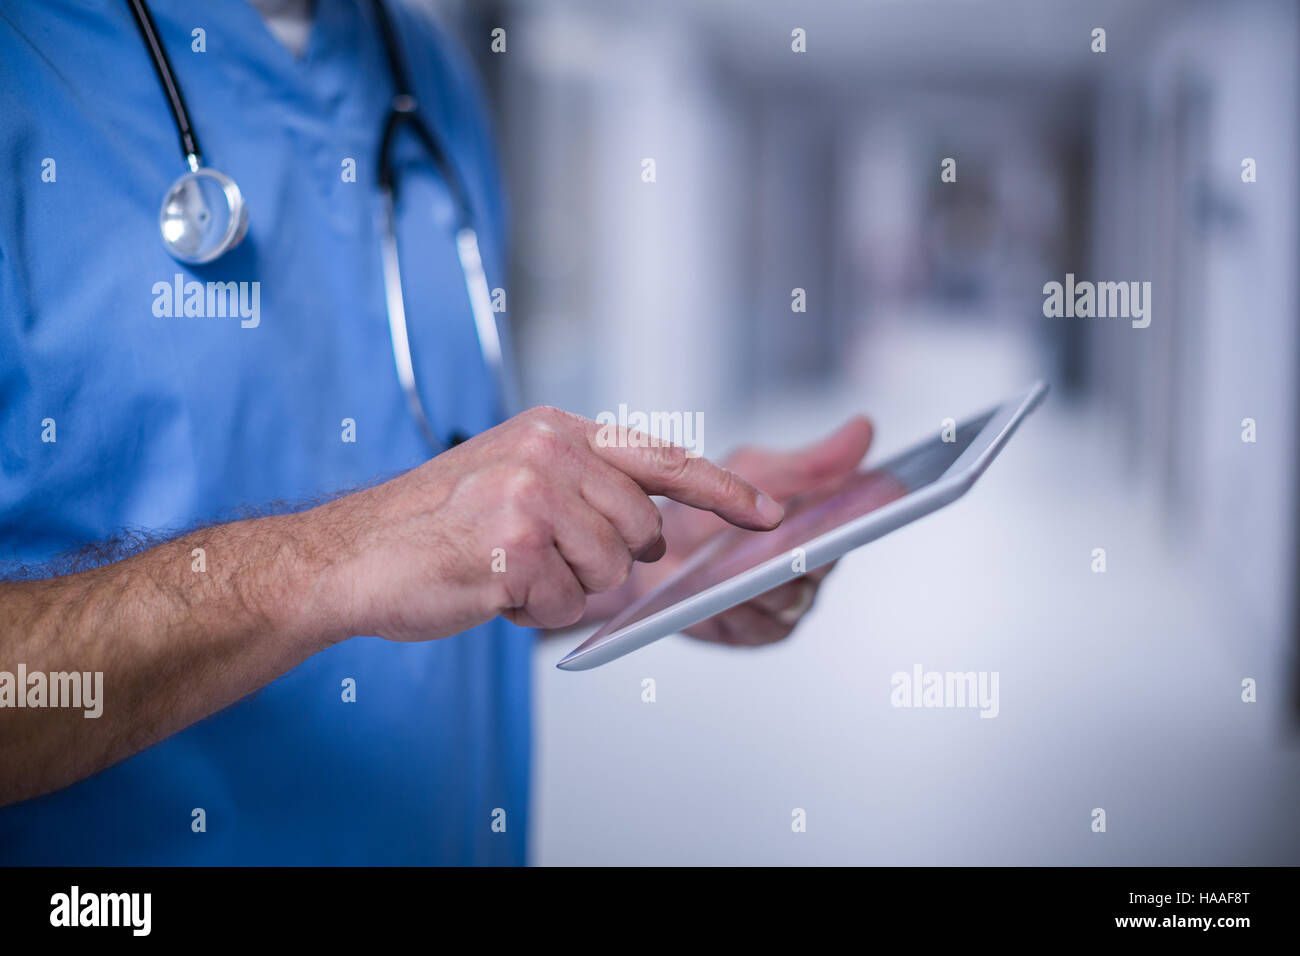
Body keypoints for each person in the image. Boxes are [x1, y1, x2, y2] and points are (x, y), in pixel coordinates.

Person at [0, 0, 871, 865]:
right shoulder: (27, 66)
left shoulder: (425, 70)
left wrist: (631, 557)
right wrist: (330, 561)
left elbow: (432, 559)